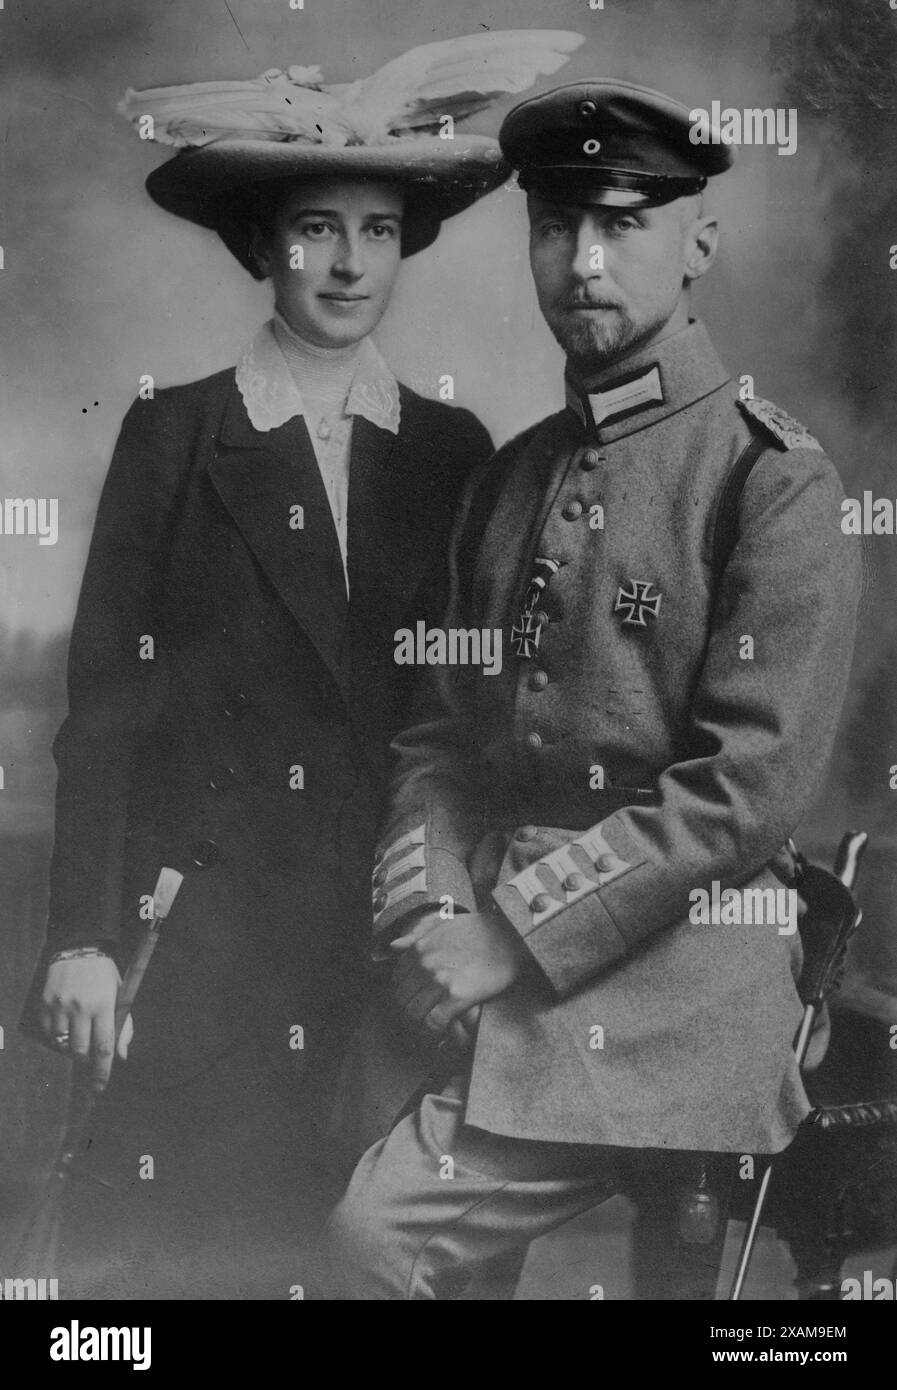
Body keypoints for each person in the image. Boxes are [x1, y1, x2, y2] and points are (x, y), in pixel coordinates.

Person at [24, 33, 584, 1299]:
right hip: (215, 942)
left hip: (393, 938)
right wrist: (82, 939)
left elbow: (483, 709)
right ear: (263, 247)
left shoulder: (453, 448)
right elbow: (104, 710)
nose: (347, 262)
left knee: (391, 1264)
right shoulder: (177, 435)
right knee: (186, 1270)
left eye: (378, 232)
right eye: (317, 229)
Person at [326, 79, 863, 1300]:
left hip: (681, 981)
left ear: (700, 243)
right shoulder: (508, 481)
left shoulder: (773, 483)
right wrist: (436, 920)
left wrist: (513, 937)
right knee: (307, 1140)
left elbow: (745, 796)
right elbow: (437, 741)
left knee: (372, 1240)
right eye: (556, 226)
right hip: (488, 965)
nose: (581, 261)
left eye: (620, 222)